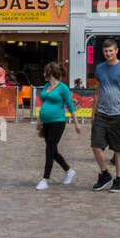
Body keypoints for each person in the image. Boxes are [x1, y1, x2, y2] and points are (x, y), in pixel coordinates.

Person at [90, 39, 120, 192]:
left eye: (111, 51)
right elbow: (97, 92)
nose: (108, 54)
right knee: (96, 145)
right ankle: (105, 175)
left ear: (116, 51)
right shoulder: (100, 69)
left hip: (119, 115)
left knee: (119, 149)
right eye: (105, 51)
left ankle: (119, 180)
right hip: (101, 113)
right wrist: (93, 112)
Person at [35, 62, 80, 190]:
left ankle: (45, 179)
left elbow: (70, 105)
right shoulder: (46, 86)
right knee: (53, 151)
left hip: (58, 122)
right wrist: (39, 120)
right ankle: (69, 170)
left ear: (49, 73)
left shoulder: (63, 88)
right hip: (46, 122)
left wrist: (76, 122)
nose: (43, 74)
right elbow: (44, 104)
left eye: (45, 72)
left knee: (49, 149)